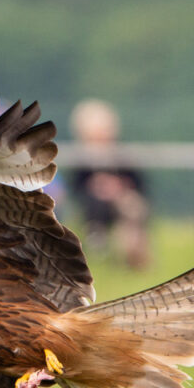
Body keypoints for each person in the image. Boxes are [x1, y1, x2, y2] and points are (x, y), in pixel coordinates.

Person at [66, 99, 150, 270]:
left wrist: (118, 188)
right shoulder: (81, 159)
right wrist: (96, 187)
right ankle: (98, 243)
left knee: (132, 211)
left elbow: (139, 184)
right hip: (94, 209)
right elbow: (76, 189)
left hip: (124, 204)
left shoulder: (123, 154)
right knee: (96, 210)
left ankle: (135, 257)